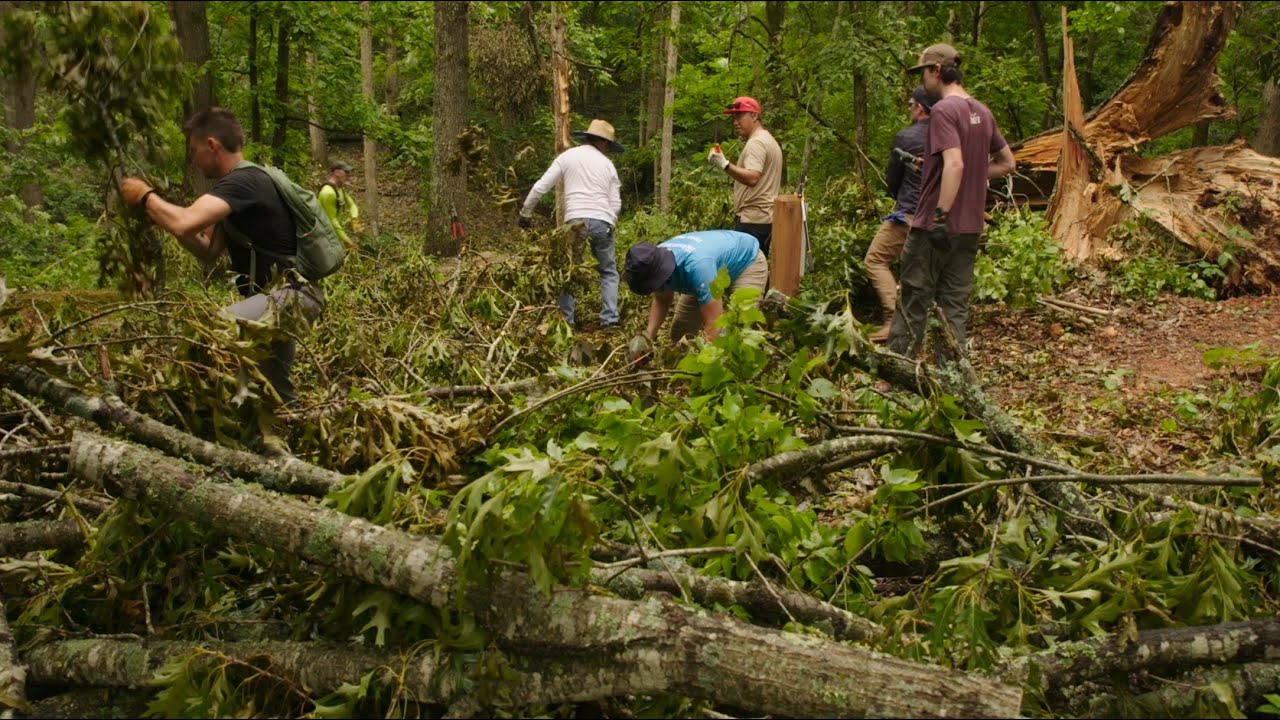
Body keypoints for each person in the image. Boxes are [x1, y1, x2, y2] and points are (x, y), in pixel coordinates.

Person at [117, 107, 324, 427]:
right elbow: (207, 249)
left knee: (217, 326)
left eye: (194, 151)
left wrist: (146, 198)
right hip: (281, 299)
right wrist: (161, 216)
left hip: (293, 295)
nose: (194, 160)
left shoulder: (244, 181)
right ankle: (291, 448)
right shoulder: (238, 190)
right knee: (276, 391)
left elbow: (185, 221)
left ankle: (202, 422)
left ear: (212, 144)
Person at [886, 44, 1016, 361]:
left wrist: (942, 214)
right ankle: (952, 375)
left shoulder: (944, 110)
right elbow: (1007, 162)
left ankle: (896, 372)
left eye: (924, 72)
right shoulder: (982, 111)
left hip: (935, 225)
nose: (922, 81)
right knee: (954, 303)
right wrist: (972, 176)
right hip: (970, 226)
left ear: (938, 71)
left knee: (914, 297)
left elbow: (955, 164)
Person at [520, 118, 624, 330]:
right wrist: (610, 221)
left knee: (570, 269)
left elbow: (541, 186)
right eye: (608, 146)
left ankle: (567, 321)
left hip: (575, 220)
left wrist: (526, 212)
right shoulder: (608, 165)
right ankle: (610, 320)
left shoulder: (567, 157)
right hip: (602, 220)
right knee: (608, 271)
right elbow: (615, 202)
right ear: (603, 143)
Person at [865, 86, 934, 343]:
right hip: (941, 216)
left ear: (920, 107)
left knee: (875, 260)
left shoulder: (906, 137)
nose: (908, 109)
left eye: (910, 104)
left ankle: (892, 321)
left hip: (909, 214)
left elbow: (893, 179)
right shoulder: (949, 134)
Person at [623, 229, 768, 345]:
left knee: (739, 330)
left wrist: (699, 362)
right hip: (710, 268)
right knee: (681, 331)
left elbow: (715, 322)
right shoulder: (652, 261)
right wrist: (648, 336)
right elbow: (662, 300)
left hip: (746, 262)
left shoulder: (698, 267)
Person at [707, 97, 783, 258]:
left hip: (752, 220)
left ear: (754, 116)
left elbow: (753, 178)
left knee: (747, 274)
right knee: (758, 269)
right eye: (734, 117)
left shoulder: (756, 143)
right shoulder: (768, 139)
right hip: (764, 218)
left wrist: (724, 164)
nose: (735, 122)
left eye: (740, 116)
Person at [318, 160, 360, 249]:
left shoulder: (339, 189)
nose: (349, 176)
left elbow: (352, 205)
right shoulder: (328, 193)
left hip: (334, 234)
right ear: (337, 172)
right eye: (346, 172)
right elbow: (331, 220)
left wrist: (354, 219)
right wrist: (346, 240)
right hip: (324, 237)